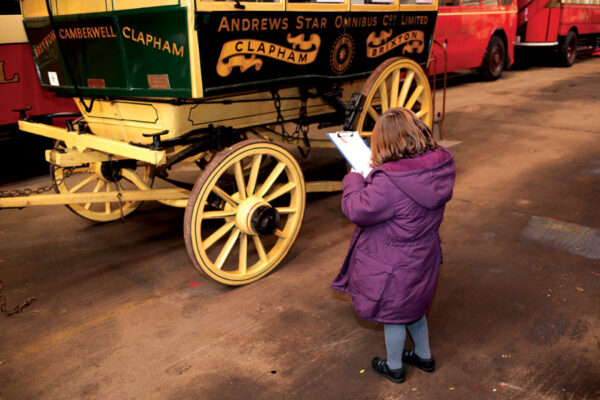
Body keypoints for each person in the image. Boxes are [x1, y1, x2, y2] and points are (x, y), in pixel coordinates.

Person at [331, 107, 455, 383]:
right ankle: (424, 357)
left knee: (394, 316)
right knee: (416, 308)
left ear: (386, 143)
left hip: (394, 263)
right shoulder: (440, 164)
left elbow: (357, 210)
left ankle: (394, 366)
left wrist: (354, 177)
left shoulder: (389, 182)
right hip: (425, 255)